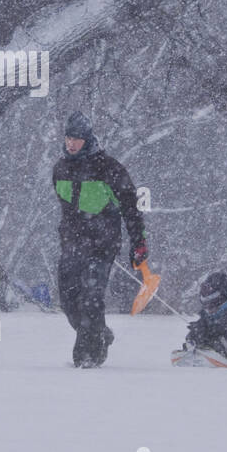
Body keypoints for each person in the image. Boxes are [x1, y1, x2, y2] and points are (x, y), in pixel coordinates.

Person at [52, 111, 147, 368]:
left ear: (89, 139)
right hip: (72, 245)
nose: (71, 143)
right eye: (68, 138)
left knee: (91, 297)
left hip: (102, 245)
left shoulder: (109, 168)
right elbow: (67, 209)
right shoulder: (59, 169)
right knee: (69, 301)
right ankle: (101, 333)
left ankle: (88, 355)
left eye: (77, 139)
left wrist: (138, 243)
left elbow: (131, 208)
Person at [171, 271, 227, 367]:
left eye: (211, 298)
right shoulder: (207, 315)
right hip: (211, 347)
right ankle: (196, 353)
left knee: (220, 336)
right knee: (198, 334)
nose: (209, 308)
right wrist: (196, 332)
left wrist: (211, 331)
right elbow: (199, 331)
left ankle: (209, 352)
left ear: (223, 297)